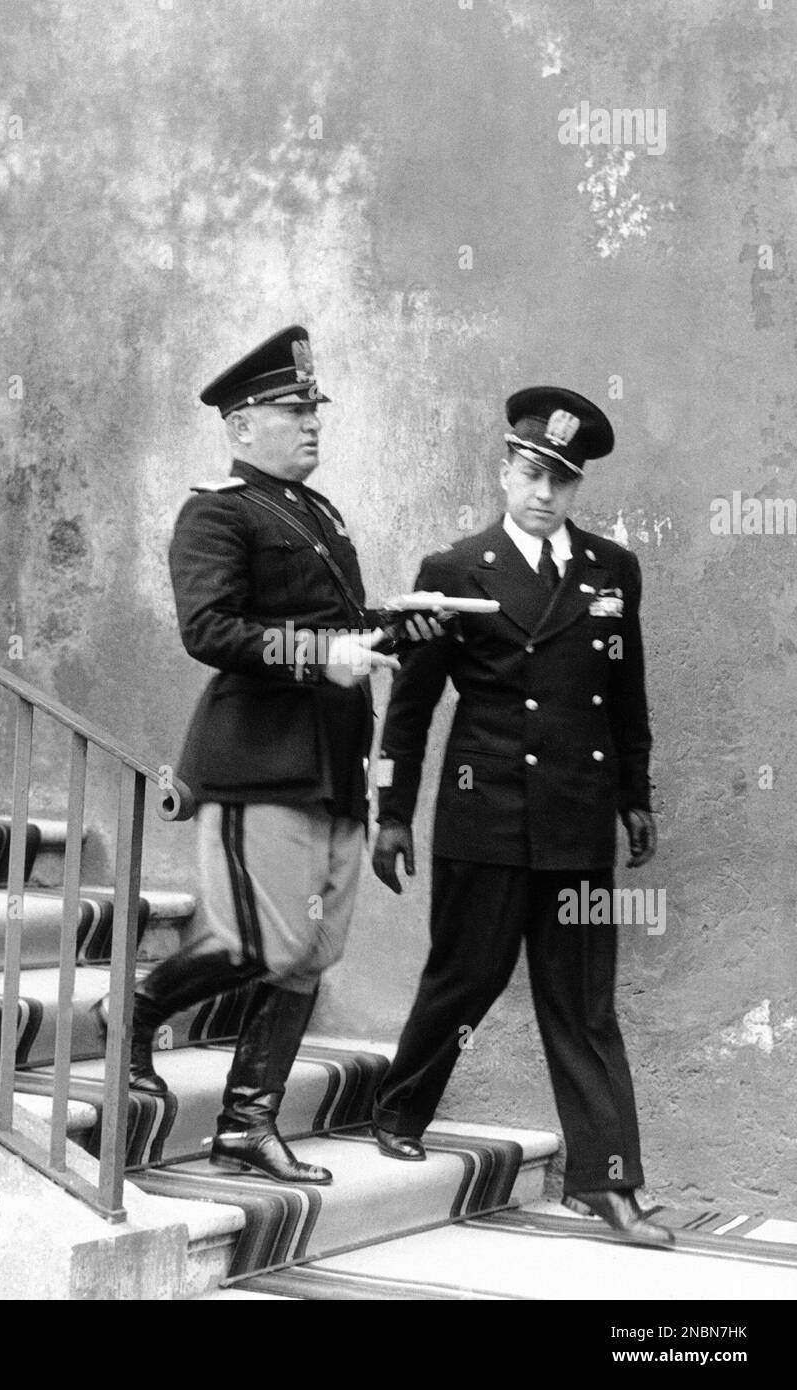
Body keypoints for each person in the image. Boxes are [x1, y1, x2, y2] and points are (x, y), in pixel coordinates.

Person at [129, 325, 439, 1185]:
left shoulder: (319, 513)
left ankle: (246, 1122)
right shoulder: (217, 510)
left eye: (314, 410)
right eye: (292, 410)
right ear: (240, 426)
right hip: (258, 758)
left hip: (333, 762)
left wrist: (397, 626)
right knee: (268, 937)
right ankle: (132, 1008)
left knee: (310, 952)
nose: (312, 424)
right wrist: (319, 655)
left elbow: (332, 632)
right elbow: (209, 628)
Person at [370, 386, 674, 1248]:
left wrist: (634, 795)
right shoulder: (455, 571)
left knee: (583, 1005)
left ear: (578, 489)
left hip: (577, 822)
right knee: (465, 978)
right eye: (533, 473)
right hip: (486, 814)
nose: (545, 493)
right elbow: (413, 703)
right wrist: (393, 810)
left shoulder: (612, 572)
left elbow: (627, 693)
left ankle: (608, 1181)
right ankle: (400, 1107)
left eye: (563, 481)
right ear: (505, 471)